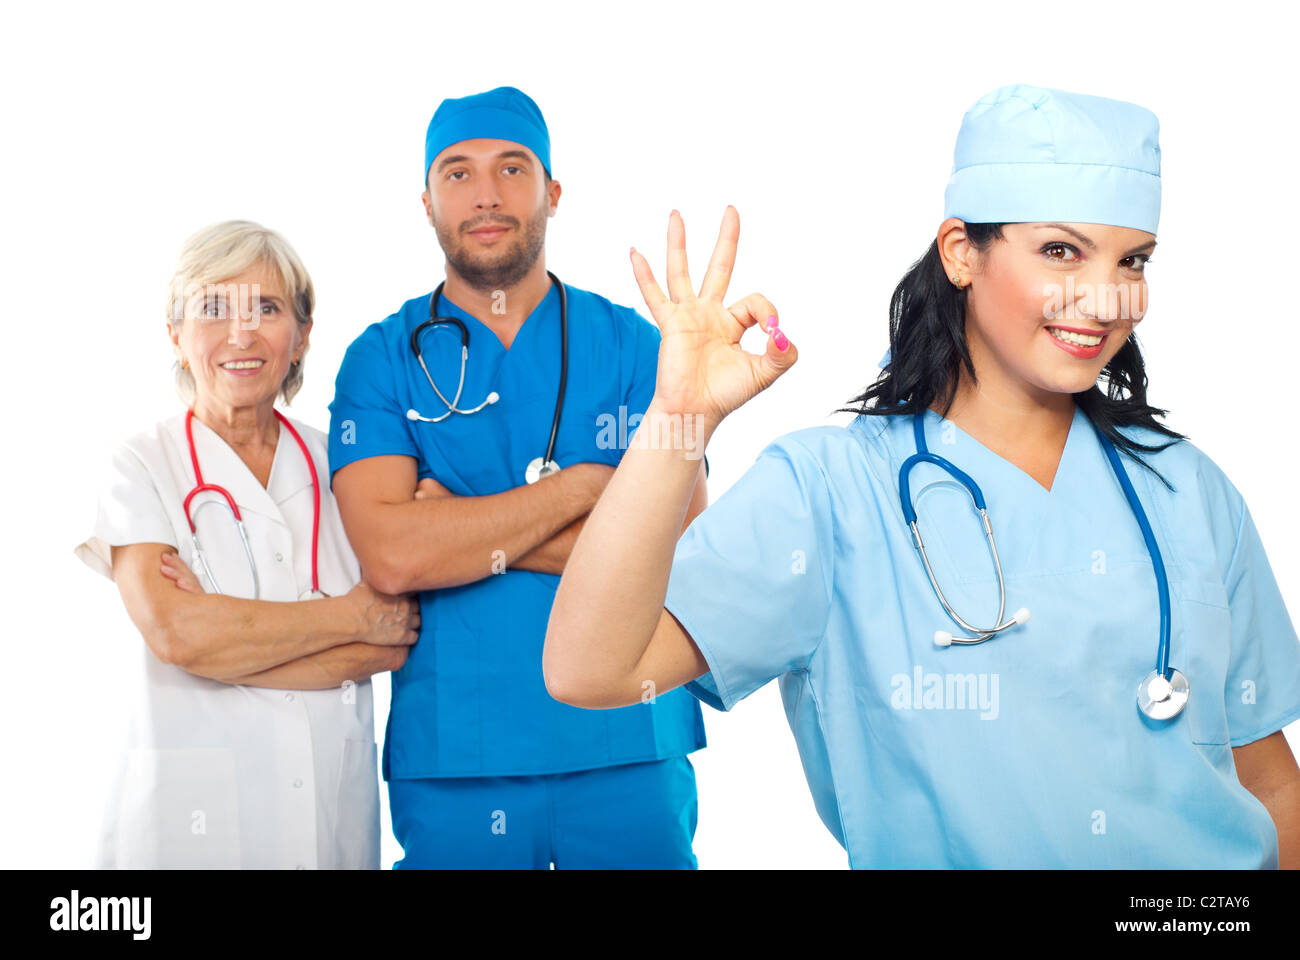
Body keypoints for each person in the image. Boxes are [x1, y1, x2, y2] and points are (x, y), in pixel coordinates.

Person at [544, 84, 1300, 868]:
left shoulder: (1189, 489)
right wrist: (681, 418)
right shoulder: (829, 493)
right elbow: (590, 670)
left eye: (1132, 260)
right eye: (1061, 251)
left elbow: (1269, 783)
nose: (1107, 298)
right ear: (961, 253)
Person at [328, 86, 709, 869]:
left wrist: (456, 522)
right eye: (458, 174)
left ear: (553, 193)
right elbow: (393, 555)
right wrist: (583, 491)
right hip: (462, 755)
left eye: (512, 167)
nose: (487, 194)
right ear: (427, 201)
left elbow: (682, 541)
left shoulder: (635, 344)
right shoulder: (382, 358)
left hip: (626, 740)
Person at [75, 220, 419, 869]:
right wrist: (348, 618)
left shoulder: (346, 464)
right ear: (174, 334)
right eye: (213, 309)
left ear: (303, 334)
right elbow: (179, 638)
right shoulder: (141, 465)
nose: (241, 333)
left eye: (267, 307)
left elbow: (392, 639)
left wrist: (223, 640)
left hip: (329, 822)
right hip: (185, 834)